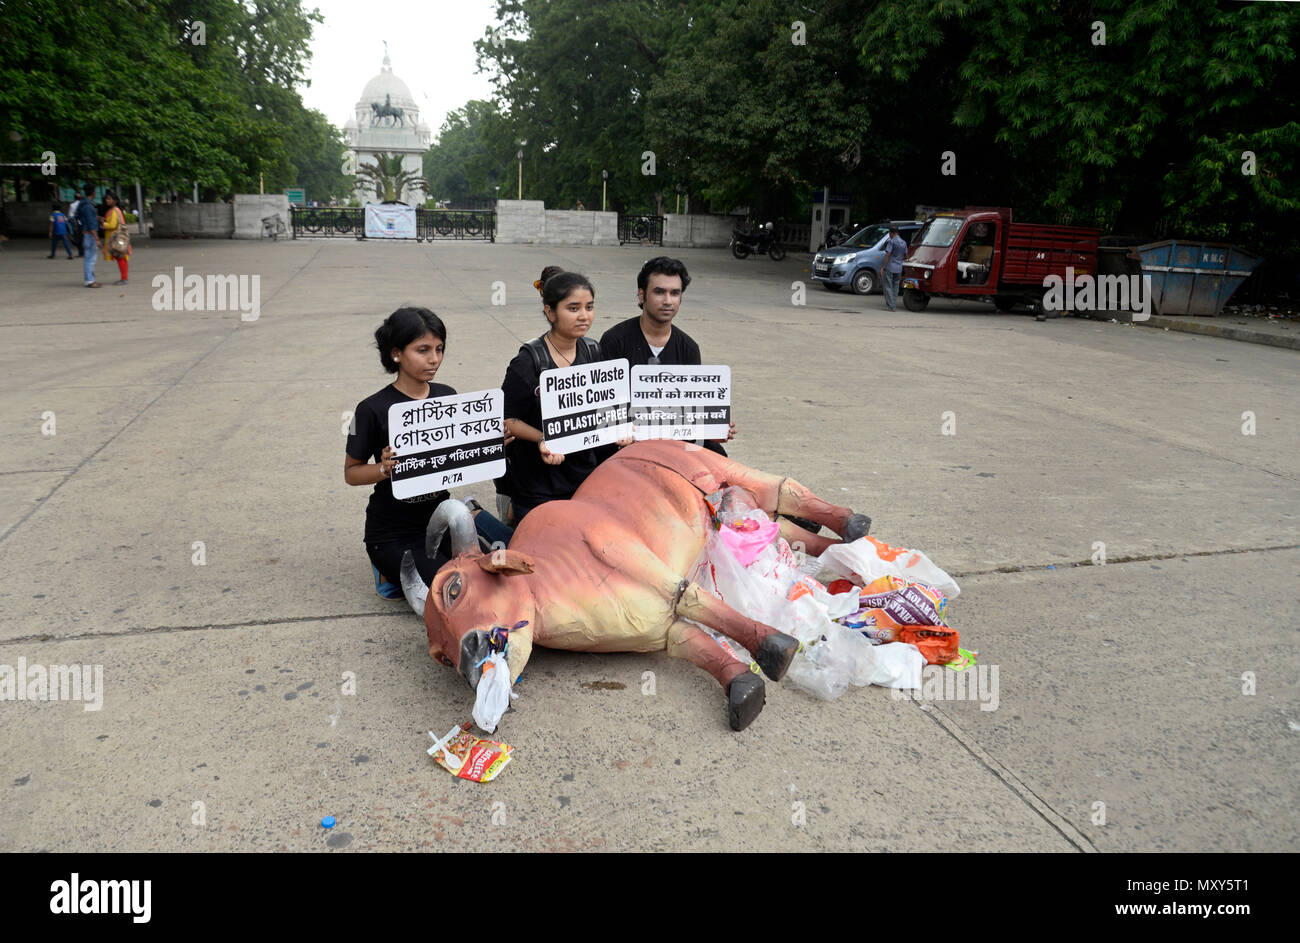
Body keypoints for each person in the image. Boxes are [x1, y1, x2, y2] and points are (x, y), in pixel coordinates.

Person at [345, 307, 512, 598]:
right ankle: (385, 569)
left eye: (439, 349)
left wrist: (490, 445)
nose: (434, 358)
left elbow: (459, 452)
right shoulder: (371, 409)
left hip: (440, 521)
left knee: (492, 573)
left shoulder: (447, 395)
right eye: (422, 350)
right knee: (453, 589)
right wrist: (384, 469)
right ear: (396, 353)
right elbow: (351, 473)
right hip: (391, 533)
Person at [501, 271, 617, 524]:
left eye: (589, 307)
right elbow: (507, 420)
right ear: (550, 312)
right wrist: (545, 439)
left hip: (584, 478)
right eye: (573, 308)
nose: (584, 315)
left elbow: (607, 408)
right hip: (537, 485)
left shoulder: (594, 352)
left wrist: (620, 429)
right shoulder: (527, 362)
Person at [598, 256, 737, 456]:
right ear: (641, 295)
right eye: (659, 292)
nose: (667, 301)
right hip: (624, 443)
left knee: (718, 457)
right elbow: (603, 406)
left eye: (675, 293)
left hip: (673, 443)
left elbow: (690, 409)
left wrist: (711, 428)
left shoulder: (689, 348)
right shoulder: (615, 341)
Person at [76, 185, 102, 288]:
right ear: (93, 193)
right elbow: (91, 225)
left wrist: (97, 218)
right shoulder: (88, 206)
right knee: (90, 258)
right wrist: (97, 239)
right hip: (89, 235)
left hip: (85, 233)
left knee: (89, 257)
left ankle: (90, 278)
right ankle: (89, 280)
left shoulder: (82, 204)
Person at [102, 191, 130, 284]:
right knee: (121, 257)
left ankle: (124, 278)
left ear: (115, 200)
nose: (107, 200)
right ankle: (124, 277)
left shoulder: (115, 210)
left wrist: (103, 224)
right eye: (106, 198)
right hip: (115, 238)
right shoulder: (114, 210)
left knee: (120, 257)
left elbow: (112, 225)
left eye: (109, 199)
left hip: (116, 239)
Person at [881, 225, 908, 311]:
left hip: (890, 267)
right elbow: (906, 256)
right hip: (899, 268)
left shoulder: (891, 242)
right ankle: (893, 304)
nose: (889, 235)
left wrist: (882, 267)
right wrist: (899, 260)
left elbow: (888, 254)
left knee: (888, 286)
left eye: (889, 233)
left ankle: (891, 306)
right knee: (895, 286)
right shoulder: (904, 242)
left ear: (892, 233)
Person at [68, 191, 85, 257]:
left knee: (77, 238)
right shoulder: (83, 204)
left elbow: (70, 215)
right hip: (82, 223)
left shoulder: (72, 205)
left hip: (75, 224)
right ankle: (83, 252)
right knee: (82, 238)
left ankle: (80, 252)